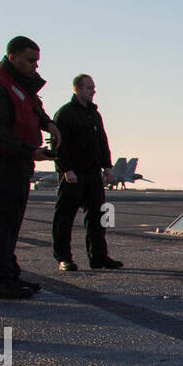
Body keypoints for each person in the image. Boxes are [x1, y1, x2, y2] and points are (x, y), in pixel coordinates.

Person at [0, 36, 60, 299]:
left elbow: (33, 107)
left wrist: (49, 124)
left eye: (37, 61)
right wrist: (30, 151)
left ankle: (9, 274)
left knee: (12, 221)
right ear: (13, 57)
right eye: (30, 60)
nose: (35, 66)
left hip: (17, 162)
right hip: (1, 162)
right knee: (2, 222)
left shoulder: (16, 83)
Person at [52, 75, 122, 271]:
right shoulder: (65, 114)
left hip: (93, 174)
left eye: (93, 87)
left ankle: (99, 257)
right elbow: (58, 145)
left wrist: (107, 166)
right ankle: (64, 258)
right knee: (65, 218)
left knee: (98, 216)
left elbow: (102, 141)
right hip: (73, 175)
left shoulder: (94, 114)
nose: (93, 91)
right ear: (78, 89)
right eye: (89, 88)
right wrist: (66, 170)